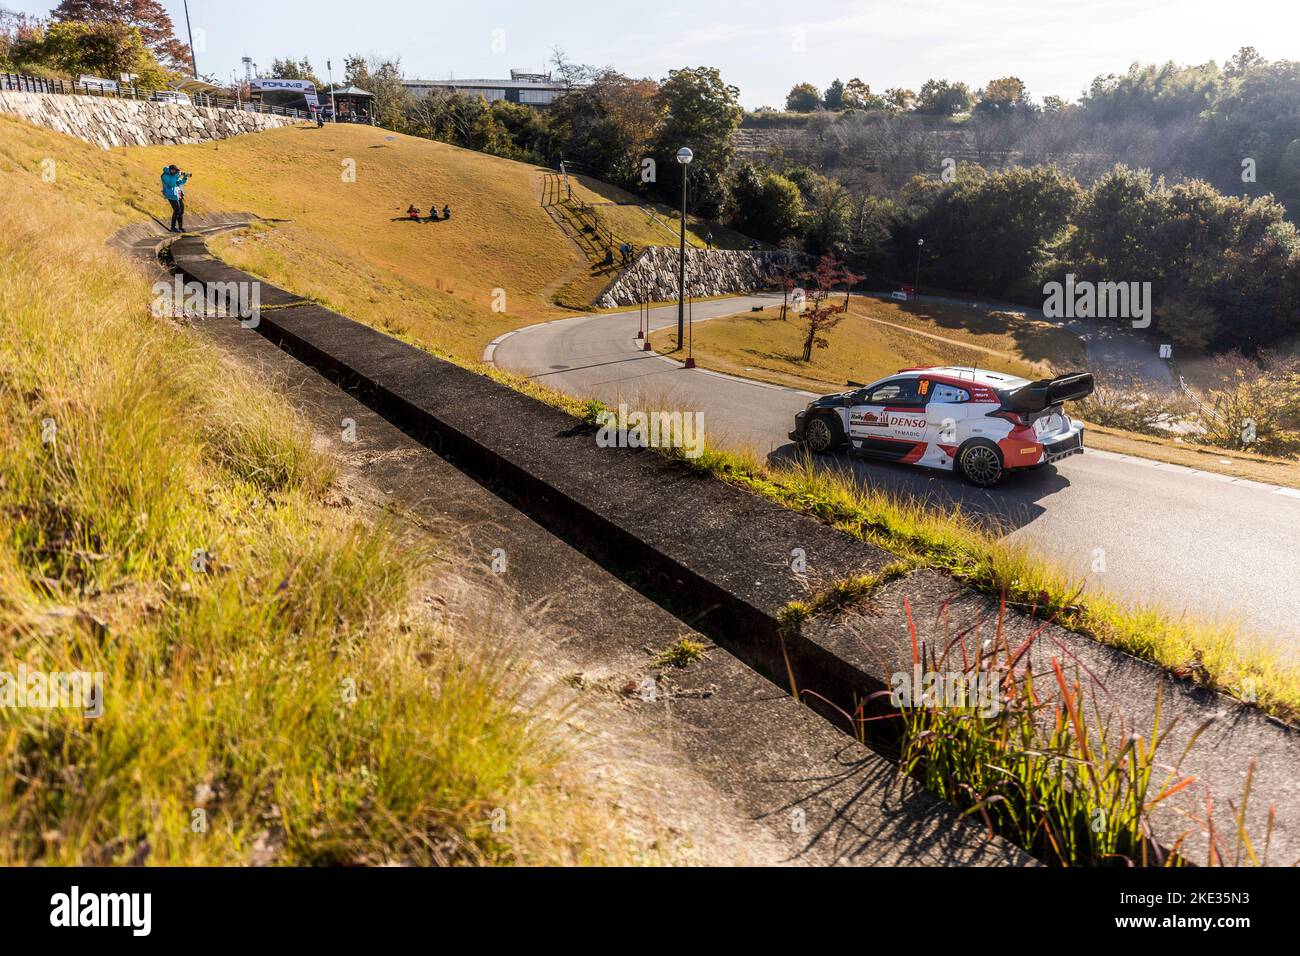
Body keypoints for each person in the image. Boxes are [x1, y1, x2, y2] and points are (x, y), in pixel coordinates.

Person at [161, 165, 190, 233]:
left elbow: (180, 183)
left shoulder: (175, 174)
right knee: (177, 210)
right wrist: (177, 175)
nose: (175, 172)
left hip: (177, 193)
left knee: (181, 210)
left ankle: (180, 227)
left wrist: (185, 177)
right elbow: (171, 183)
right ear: (171, 169)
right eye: (174, 170)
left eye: (176, 171)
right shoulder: (165, 175)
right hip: (170, 194)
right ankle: (173, 227)